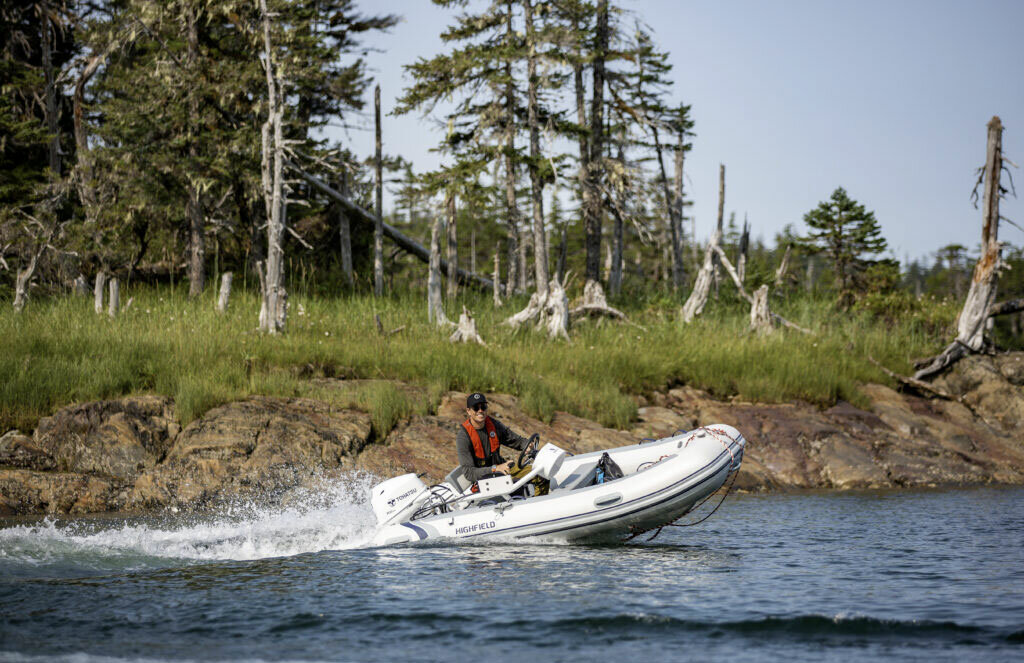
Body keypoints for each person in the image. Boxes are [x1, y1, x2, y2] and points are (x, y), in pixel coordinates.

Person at [455, 392, 529, 484]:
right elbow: (469, 473)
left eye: (483, 407)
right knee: (522, 484)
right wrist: (495, 469)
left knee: (536, 474)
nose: (480, 410)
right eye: (476, 408)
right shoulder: (463, 437)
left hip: (503, 469)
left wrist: (527, 445)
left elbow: (515, 440)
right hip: (484, 481)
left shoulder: (494, 425)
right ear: (468, 411)